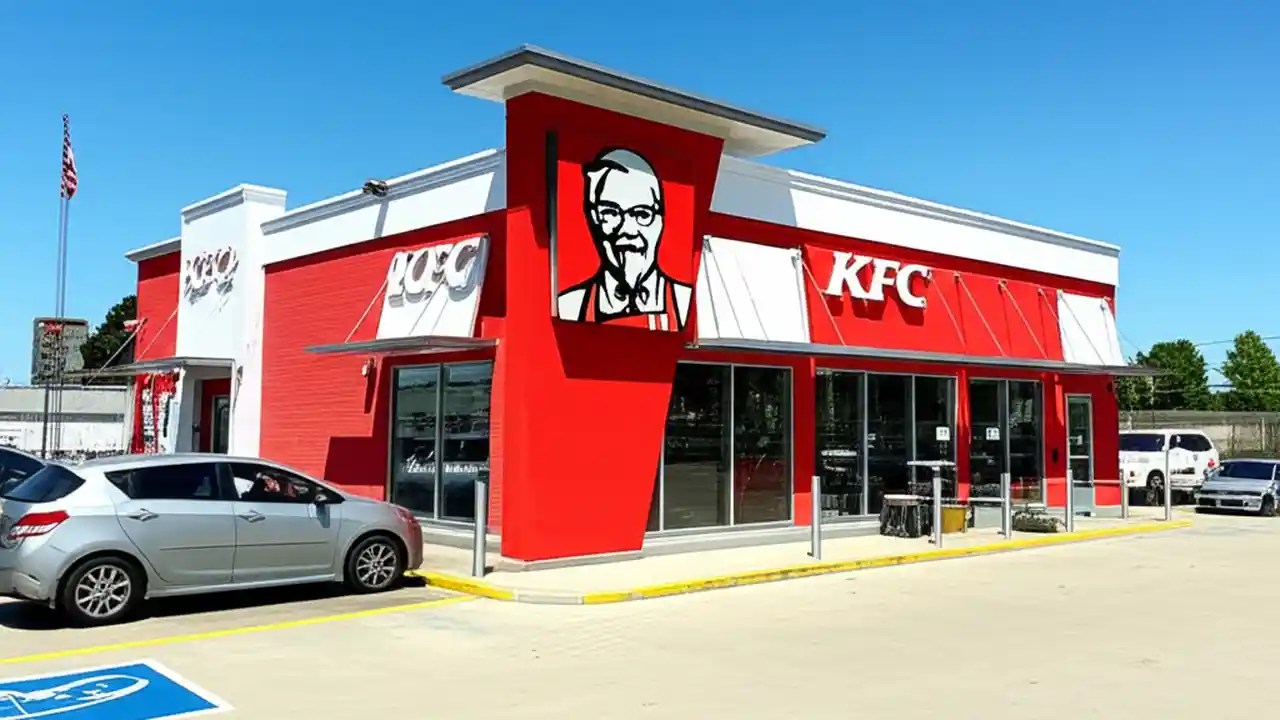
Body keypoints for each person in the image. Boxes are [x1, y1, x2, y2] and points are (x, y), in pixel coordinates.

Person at [557, 147, 693, 331]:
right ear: (593, 218)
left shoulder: (684, 301)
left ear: (660, 221)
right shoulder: (570, 306)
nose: (628, 230)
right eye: (611, 212)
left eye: (642, 214)